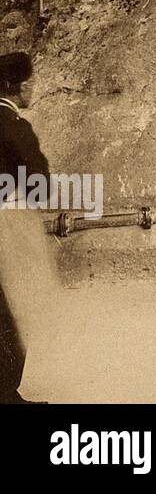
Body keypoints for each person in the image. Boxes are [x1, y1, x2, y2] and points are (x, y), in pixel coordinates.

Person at [0, 52, 49, 403]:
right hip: (8, 223)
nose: (34, 88)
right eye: (30, 83)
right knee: (16, 306)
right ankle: (5, 391)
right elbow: (38, 184)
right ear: (15, 87)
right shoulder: (15, 126)